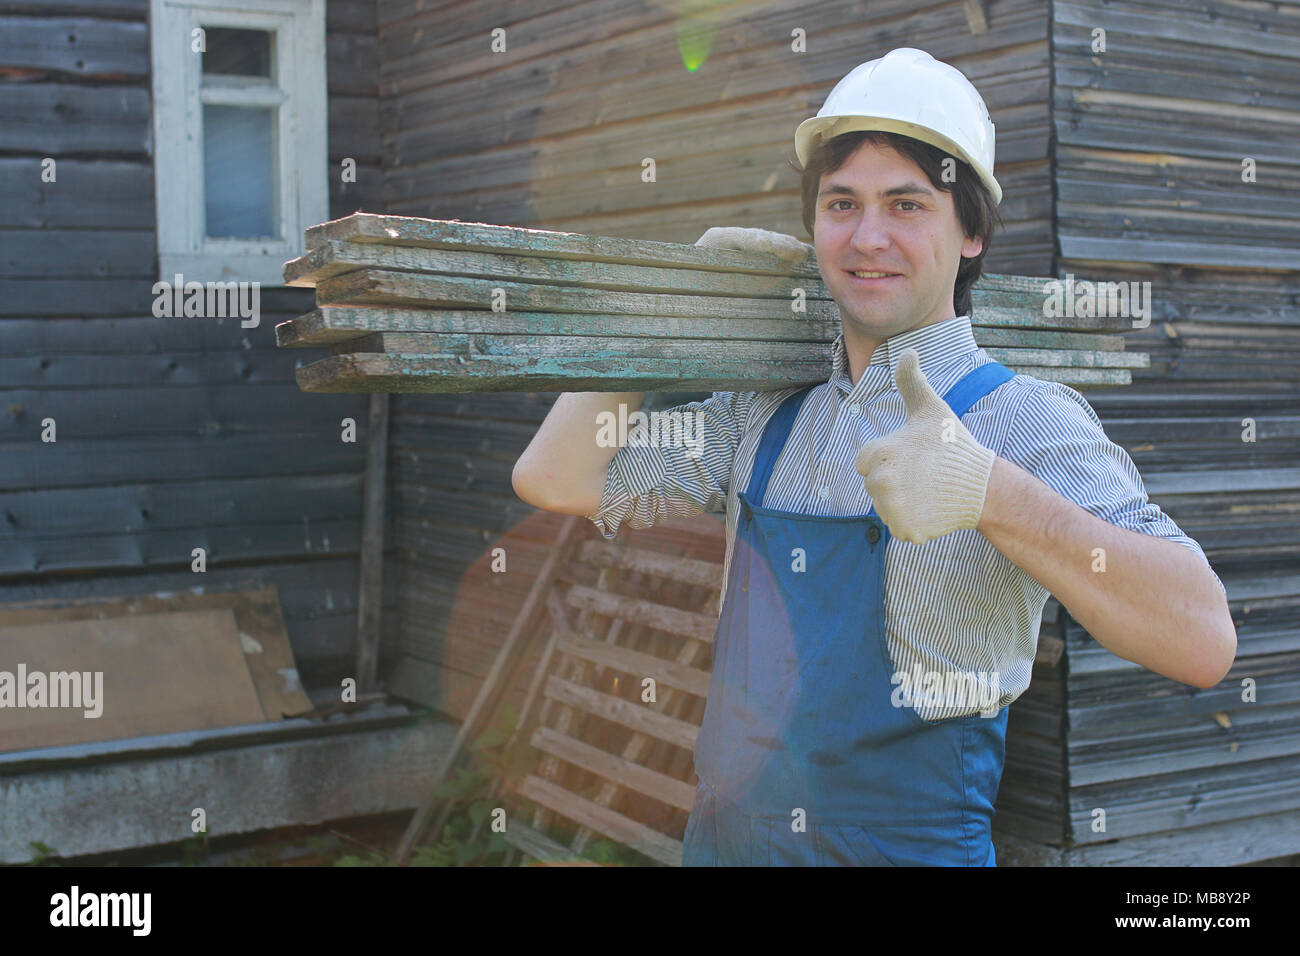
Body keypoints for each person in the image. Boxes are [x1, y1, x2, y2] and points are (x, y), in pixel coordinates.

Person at [511, 47, 1236, 866]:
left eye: (907, 205)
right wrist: (665, 314)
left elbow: (1203, 640)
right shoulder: (767, 414)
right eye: (841, 203)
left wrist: (993, 495)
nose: (868, 237)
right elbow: (556, 476)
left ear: (971, 232)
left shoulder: (1024, 420)